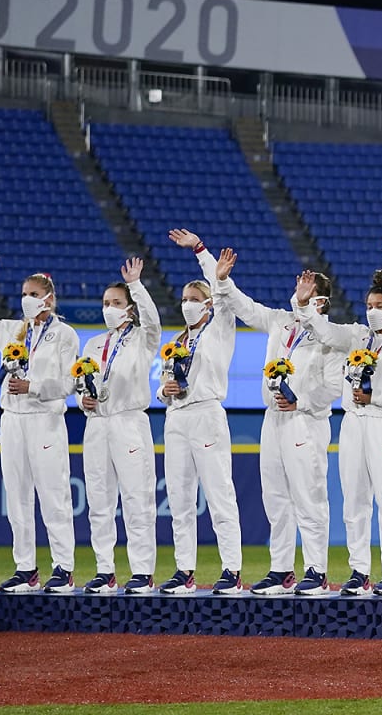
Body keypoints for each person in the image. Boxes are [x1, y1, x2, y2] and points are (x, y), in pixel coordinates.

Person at [214, 253, 343, 597]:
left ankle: (316, 570)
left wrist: (303, 402)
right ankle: (282, 569)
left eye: (307, 289)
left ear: (321, 300)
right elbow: (245, 307)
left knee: (309, 496)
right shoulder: (280, 321)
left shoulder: (331, 336)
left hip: (306, 420)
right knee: (275, 497)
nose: (299, 291)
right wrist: (223, 281)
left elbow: (334, 386)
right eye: (298, 286)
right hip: (273, 418)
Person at [296, 267, 382, 597]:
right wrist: (302, 305)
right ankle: (359, 570)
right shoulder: (358, 336)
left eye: (379, 305)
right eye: (369, 305)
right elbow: (325, 332)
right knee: (354, 500)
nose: (372, 311)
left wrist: (378, 397)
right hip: (354, 421)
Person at [0, 259, 79, 592]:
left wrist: (34, 387)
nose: (27, 298)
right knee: (17, 497)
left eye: (33, 293)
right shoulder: (10, 329)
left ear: (48, 298)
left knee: (54, 496)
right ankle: (26, 568)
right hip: (11, 420)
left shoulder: (64, 335)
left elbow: (69, 383)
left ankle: (64, 568)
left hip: (45, 420)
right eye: (24, 293)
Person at [159, 230, 242, 595]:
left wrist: (200, 251)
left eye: (195, 299)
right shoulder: (178, 342)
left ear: (208, 305)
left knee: (219, 493)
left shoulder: (219, 328)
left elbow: (224, 295)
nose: (188, 304)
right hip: (176, 417)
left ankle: (232, 570)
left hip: (207, 413)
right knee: (179, 497)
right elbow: (162, 387)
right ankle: (184, 570)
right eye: (184, 299)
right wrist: (165, 391)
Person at [79, 258, 161, 595]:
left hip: (129, 421)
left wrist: (137, 285)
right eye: (105, 303)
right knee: (99, 500)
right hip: (97, 424)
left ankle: (142, 571)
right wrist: (83, 399)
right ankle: (105, 570)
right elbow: (84, 383)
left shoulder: (143, 339)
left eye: (116, 303)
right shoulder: (93, 344)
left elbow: (154, 322)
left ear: (129, 309)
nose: (109, 309)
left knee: (136, 498)